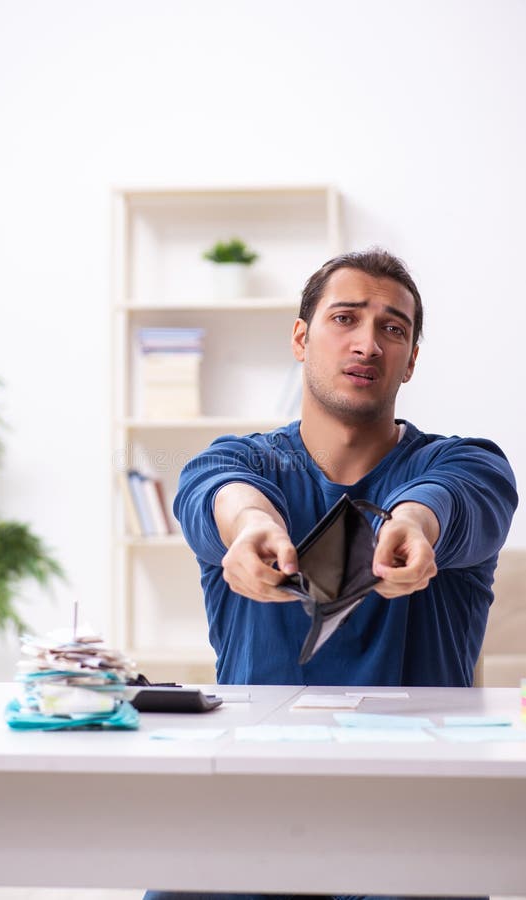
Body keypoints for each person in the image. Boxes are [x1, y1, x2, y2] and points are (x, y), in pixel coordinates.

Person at [143, 249, 517, 900]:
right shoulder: (239, 460)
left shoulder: (470, 464)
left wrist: (413, 523)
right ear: (300, 337)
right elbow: (218, 490)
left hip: (417, 807)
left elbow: (450, 496)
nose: (367, 342)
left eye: (392, 328)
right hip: (249, 799)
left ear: (410, 358)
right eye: (344, 318)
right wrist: (250, 525)